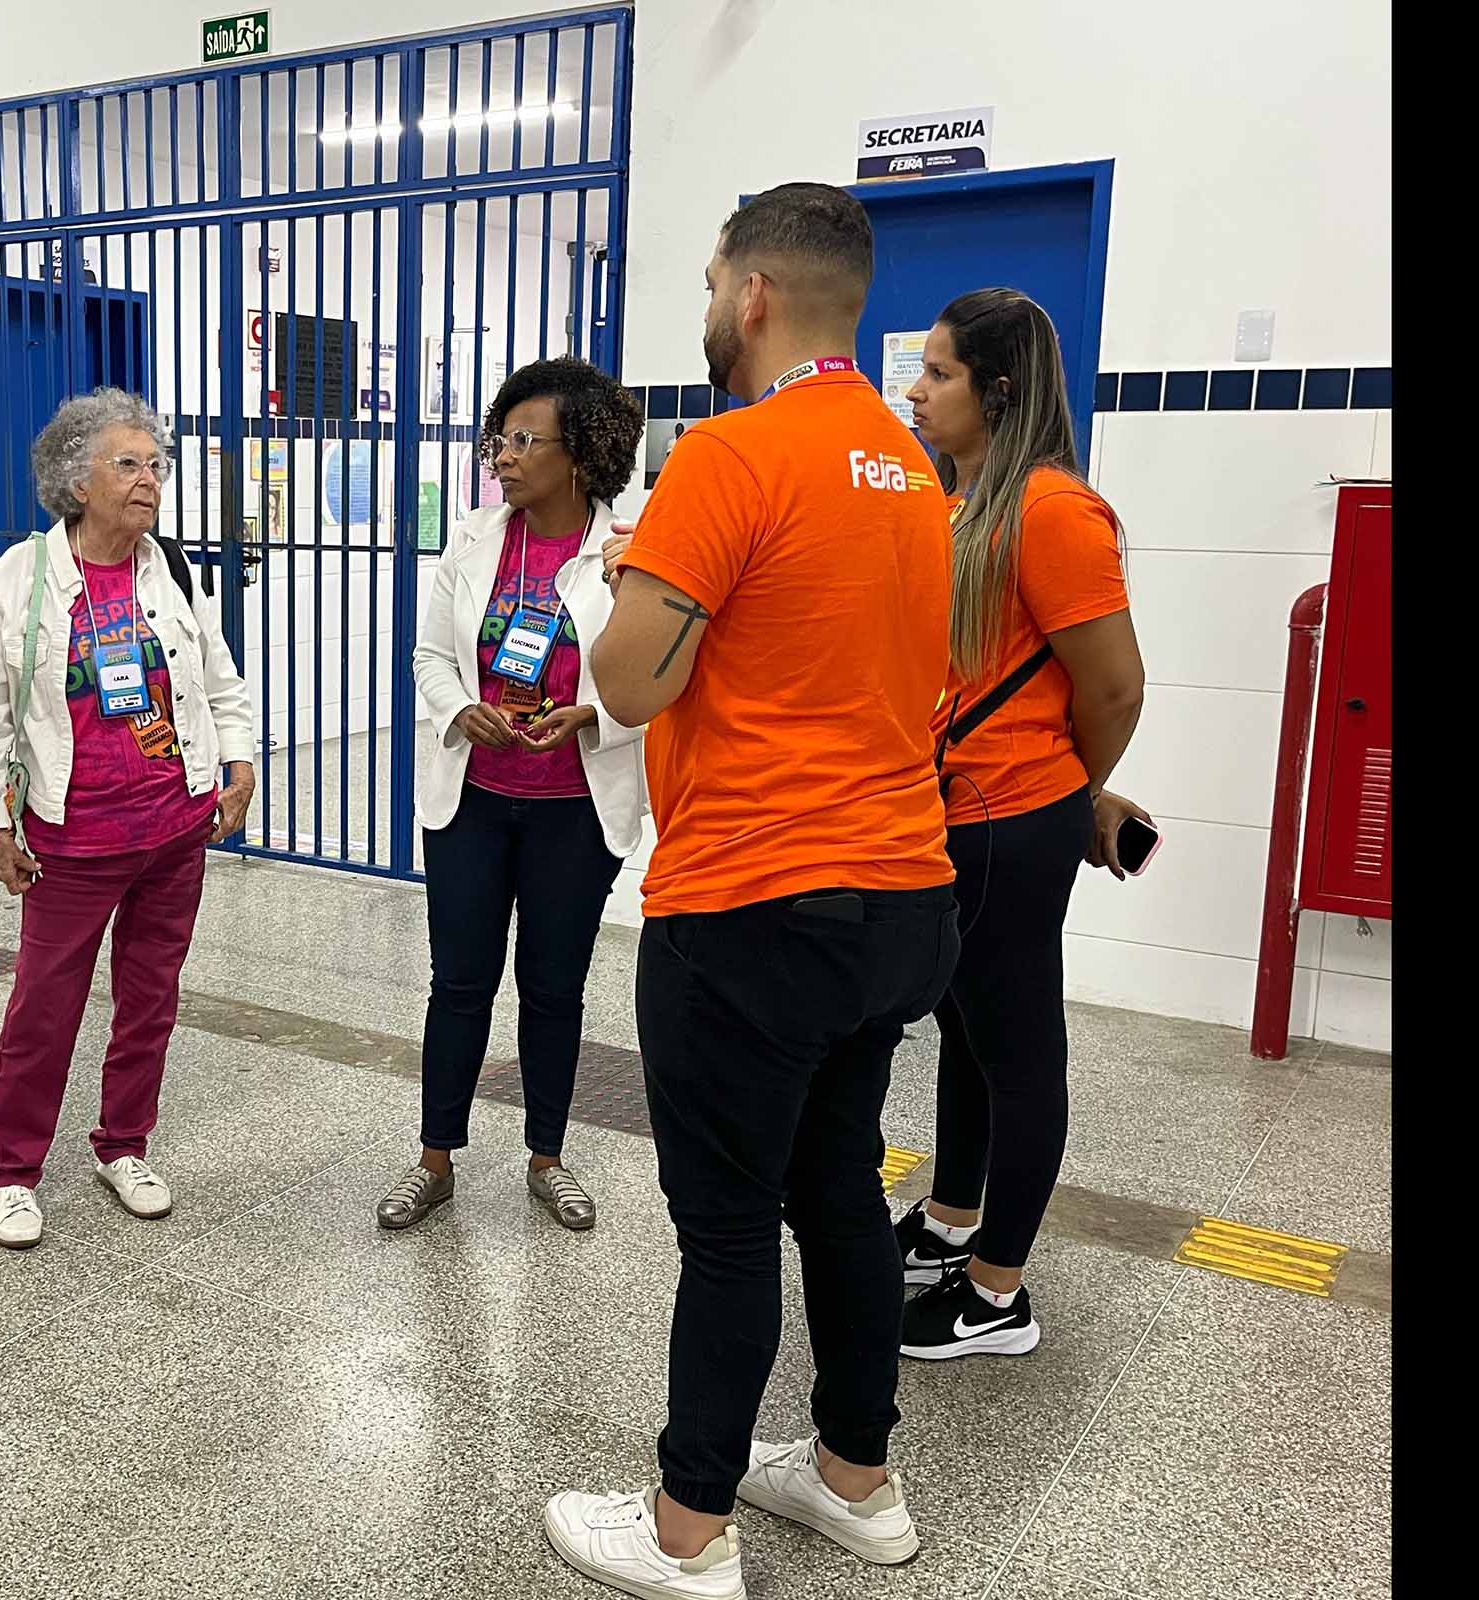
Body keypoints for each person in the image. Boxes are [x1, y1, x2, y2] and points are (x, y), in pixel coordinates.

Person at [544, 183, 959, 1600]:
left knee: (726, 1225)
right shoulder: (916, 473)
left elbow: (629, 679)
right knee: (837, 1184)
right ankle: (858, 1478)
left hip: (753, 903)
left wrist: (627, 588)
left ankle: (686, 1530)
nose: (708, 306)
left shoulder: (733, 457)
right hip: (902, 895)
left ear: (757, 295)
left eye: (713, 280)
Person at [891, 289, 1148, 1361]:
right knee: (965, 1027)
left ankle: (997, 1296)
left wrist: (1065, 789)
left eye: (940, 373)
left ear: (996, 389)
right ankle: (954, 1221)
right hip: (965, 811)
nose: (916, 388)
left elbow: (1116, 686)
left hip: (1012, 819)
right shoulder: (971, 499)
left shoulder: (1051, 511)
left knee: (1021, 1046)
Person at [0, 388, 256, 1250]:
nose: (149, 479)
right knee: (45, 1006)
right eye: (128, 463)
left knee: (151, 999)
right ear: (75, 481)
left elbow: (219, 681)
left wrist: (238, 761)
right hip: (72, 840)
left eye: (156, 463)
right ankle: (11, 1169)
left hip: (174, 830)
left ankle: (124, 1144)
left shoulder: (172, 571)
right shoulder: (20, 580)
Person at [378, 356, 648, 1234]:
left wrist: (591, 716)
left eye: (527, 440)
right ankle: (434, 1162)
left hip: (576, 805)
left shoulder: (629, 550)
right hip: (474, 799)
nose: (504, 454)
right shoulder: (472, 538)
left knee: (553, 987)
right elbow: (427, 656)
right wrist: (462, 710)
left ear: (582, 454)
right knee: (458, 983)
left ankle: (548, 1158)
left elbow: (658, 679)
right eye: (501, 436)